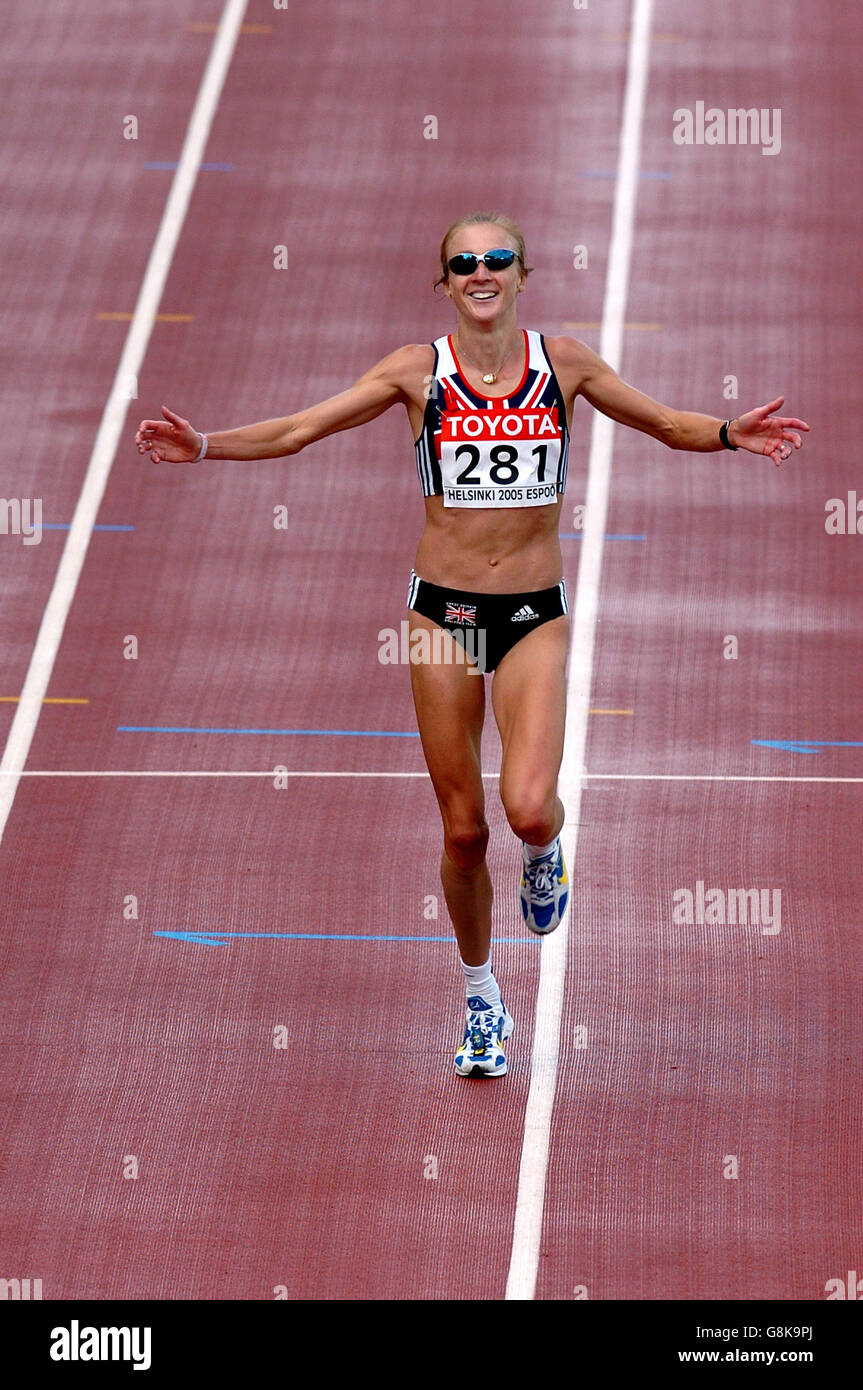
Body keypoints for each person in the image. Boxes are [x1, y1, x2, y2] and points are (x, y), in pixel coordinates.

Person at [135, 210, 809, 1079]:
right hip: (440, 617)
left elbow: (664, 423)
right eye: (464, 263)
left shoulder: (562, 364)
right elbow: (301, 428)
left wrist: (728, 431)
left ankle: (543, 850)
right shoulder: (416, 372)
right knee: (460, 832)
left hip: (531, 613)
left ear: (523, 274)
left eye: (497, 260)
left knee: (524, 807)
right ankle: (482, 999)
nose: (480, 272)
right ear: (443, 282)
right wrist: (205, 448)